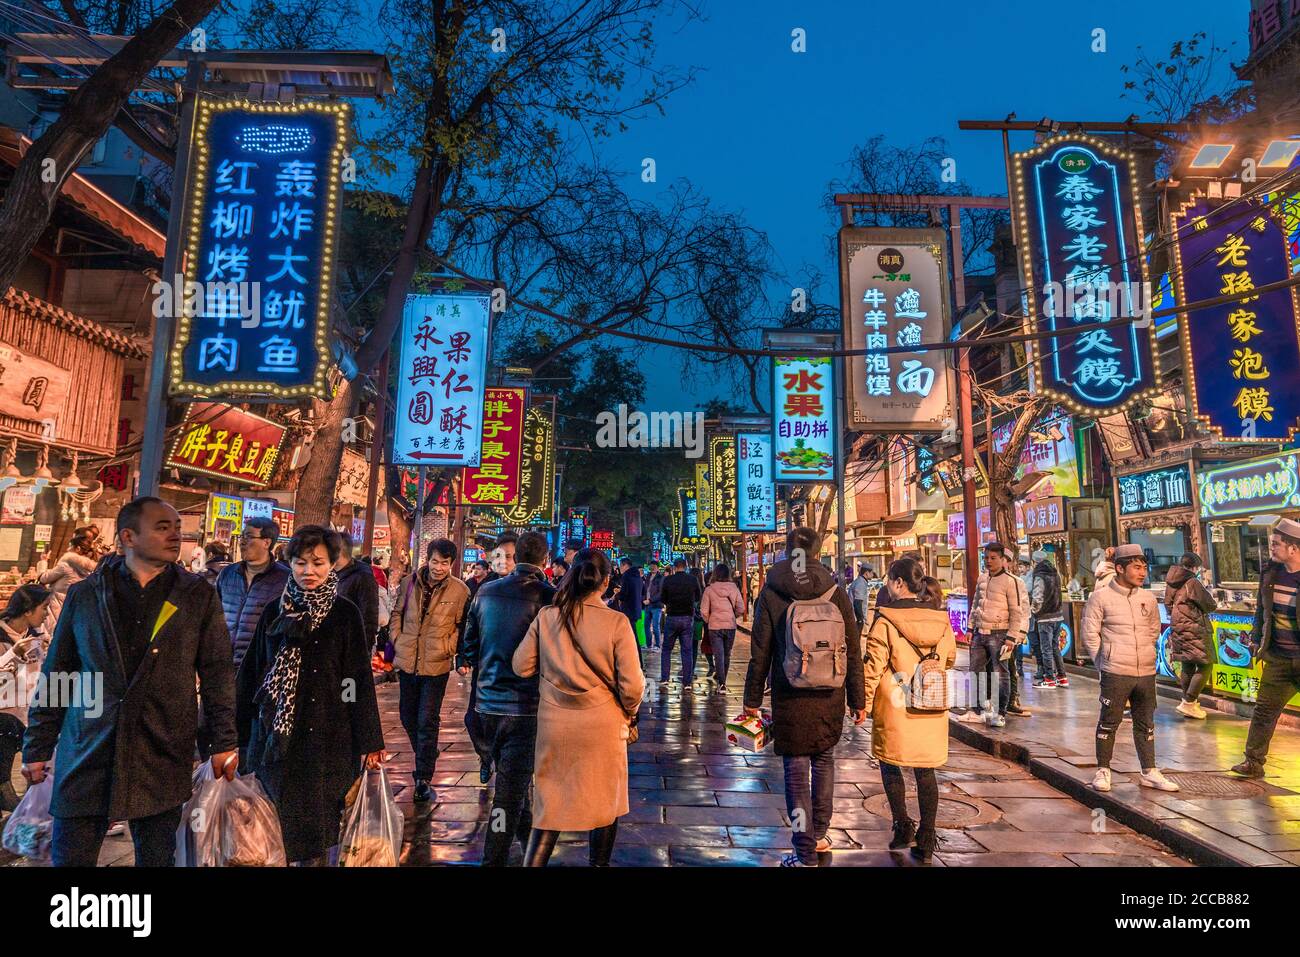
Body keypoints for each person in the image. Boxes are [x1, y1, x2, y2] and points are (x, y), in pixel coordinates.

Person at [22, 497, 238, 867]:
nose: (176, 535)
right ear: (128, 536)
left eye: (176, 527)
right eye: (163, 527)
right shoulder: (86, 594)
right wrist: (38, 744)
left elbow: (217, 671)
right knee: (70, 855)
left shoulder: (196, 594)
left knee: (156, 855)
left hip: (161, 744)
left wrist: (224, 741)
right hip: (89, 743)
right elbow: (58, 672)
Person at [236, 524, 385, 864]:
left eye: (318, 562)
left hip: (329, 737)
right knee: (276, 825)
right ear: (290, 563)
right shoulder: (275, 610)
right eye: (301, 563)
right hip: (278, 737)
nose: (309, 571)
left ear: (333, 563)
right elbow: (254, 673)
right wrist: (234, 735)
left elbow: (356, 679)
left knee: (321, 826)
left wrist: (369, 740)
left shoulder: (345, 612)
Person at [744, 526, 866, 867]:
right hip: (831, 693)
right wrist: (859, 698)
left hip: (790, 694)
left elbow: (760, 651)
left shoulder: (771, 592)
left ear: (787, 550)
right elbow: (852, 648)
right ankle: (821, 835)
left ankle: (803, 850)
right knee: (824, 761)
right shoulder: (834, 591)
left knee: (796, 770)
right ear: (817, 550)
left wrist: (751, 699)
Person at [512, 548, 643, 866]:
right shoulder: (616, 623)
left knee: (549, 808)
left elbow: (520, 666)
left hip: (555, 725)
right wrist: (631, 711)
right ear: (607, 581)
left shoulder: (548, 617)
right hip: (603, 726)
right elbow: (633, 686)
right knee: (605, 804)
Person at [459, 531, 556, 866]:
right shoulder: (549, 597)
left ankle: (531, 852)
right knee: (509, 795)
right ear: (545, 558)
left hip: (486, 705)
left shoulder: (485, 592)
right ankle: (494, 858)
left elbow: (468, 646)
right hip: (526, 709)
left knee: (515, 787)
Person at [862, 558, 957, 864]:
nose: (888, 586)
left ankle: (903, 824)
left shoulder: (885, 620)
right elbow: (950, 659)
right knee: (925, 772)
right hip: (931, 702)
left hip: (896, 704)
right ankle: (927, 839)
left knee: (891, 764)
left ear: (899, 583)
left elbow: (873, 669)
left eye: (890, 580)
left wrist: (861, 704)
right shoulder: (942, 621)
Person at [1081, 543, 1180, 793]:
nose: (1142, 573)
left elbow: (1152, 630)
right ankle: (1103, 770)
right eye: (1136, 568)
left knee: (1145, 722)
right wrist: (1103, 661)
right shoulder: (1100, 597)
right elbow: (1090, 634)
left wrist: (1145, 653)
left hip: (1145, 672)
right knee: (1109, 721)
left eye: (1144, 568)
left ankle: (1149, 770)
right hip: (1115, 671)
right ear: (1120, 568)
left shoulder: (1147, 598)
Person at [389, 538, 472, 798]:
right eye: (435, 561)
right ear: (428, 558)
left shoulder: (460, 591)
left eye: (444, 563)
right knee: (406, 716)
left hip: (436, 664)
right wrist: (397, 639)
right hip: (407, 659)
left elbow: (464, 627)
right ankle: (427, 751)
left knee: (427, 719)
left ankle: (423, 777)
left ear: (451, 564)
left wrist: (450, 648)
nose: (438, 568)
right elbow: (397, 614)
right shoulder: (409, 582)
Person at [1233, 521, 1300, 778]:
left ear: (1293, 548)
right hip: (1279, 658)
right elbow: (1262, 611)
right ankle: (1253, 762)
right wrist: (1255, 638)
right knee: (1263, 711)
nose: (1271, 548)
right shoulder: (1271, 572)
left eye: (1276, 544)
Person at [964, 542, 1030, 727]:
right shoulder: (982, 579)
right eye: (986, 558)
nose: (989, 562)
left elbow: (1017, 611)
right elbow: (975, 604)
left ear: (1003, 560)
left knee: (1001, 673)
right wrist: (970, 628)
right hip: (980, 632)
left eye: (993, 558)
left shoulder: (1012, 582)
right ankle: (976, 710)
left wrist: (1012, 636)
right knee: (975, 671)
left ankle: (1001, 712)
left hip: (1000, 633)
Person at [0, 585, 51, 811]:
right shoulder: (3, 637)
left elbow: (38, 678)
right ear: (28, 610)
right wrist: (14, 655)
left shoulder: (36, 637)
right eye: (44, 608)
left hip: (27, 710)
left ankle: (36, 806)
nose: (48, 613)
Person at [216, 517, 290, 670]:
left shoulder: (284, 580)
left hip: (258, 668)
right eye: (242, 536)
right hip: (222, 666)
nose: (242, 541)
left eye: (249, 537)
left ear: (267, 543)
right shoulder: (227, 574)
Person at [1164, 553, 1217, 720]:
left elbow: (1167, 604)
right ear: (1195, 567)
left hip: (1178, 628)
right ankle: (1189, 702)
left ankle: (1188, 703)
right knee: (1205, 664)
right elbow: (1210, 604)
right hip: (1194, 628)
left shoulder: (1170, 582)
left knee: (1187, 665)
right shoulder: (1192, 582)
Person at [38, 531, 97, 632]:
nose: (67, 549)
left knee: (51, 636)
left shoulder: (66, 565)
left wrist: (43, 561)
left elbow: (44, 578)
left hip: (56, 609)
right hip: (75, 609)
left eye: (70, 546)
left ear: (77, 549)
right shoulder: (90, 569)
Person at [700, 563, 744, 693]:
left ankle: (722, 683)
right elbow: (741, 608)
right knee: (727, 654)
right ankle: (723, 680)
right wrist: (732, 616)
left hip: (714, 627)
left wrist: (709, 620)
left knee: (718, 655)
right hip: (730, 625)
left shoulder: (709, 589)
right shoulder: (734, 588)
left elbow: (703, 611)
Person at [334, 531, 380, 652]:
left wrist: (363, 649)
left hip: (353, 645)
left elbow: (369, 615)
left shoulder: (363, 577)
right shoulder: (331, 574)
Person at [659, 557, 701, 688]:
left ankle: (665, 678)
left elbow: (663, 598)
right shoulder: (692, 580)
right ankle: (687, 682)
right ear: (686, 566)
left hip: (672, 617)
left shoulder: (668, 580)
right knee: (687, 650)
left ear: (674, 567)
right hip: (687, 618)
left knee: (666, 649)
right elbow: (698, 596)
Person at [1029, 550, 1068, 689]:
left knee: (1046, 649)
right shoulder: (1055, 574)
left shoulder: (1040, 576)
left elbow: (1037, 596)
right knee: (1054, 647)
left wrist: (1033, 611)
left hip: (1045, 617)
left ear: (1035, 562)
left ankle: (1049, 678)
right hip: (1058, 615)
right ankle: (1062, 677)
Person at [616, 557, 644, 635]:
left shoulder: (626, 576)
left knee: (631, 634)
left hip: (628, 610)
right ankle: (635, 647)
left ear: (625, 565)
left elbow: (624, 595)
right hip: (636, 609)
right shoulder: (637, 577)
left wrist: (618, 594)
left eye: (620, 566)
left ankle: (635, 647)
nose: (619, 568)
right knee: (632, 633)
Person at [645, 564, 665, 651]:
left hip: (656, 605)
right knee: (646, 625)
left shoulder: (660, 578)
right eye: (651, 566)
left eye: (654, 566)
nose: (652, 568)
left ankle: (657, 645)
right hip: (647, 605)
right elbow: (645, 589)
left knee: (656, 625)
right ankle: (649, 644)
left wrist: (650, 600)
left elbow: (660, 593)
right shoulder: (648, 576)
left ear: (657, 568)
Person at [848, 564, 873, 630]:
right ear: (867, 573)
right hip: (856, 618)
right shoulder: (860, 584)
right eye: (871, 573)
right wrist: (860, 619)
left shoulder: (860, 582)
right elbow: (857, 603)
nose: (873, 575)